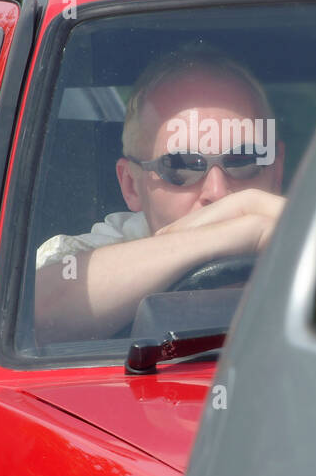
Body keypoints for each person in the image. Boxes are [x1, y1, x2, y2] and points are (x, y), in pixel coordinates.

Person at [34, 49, 285, 342]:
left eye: (243, 161)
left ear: (277, 171)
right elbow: (35, 313)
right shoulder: (114, 245)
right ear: (131, 185)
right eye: (180, 166)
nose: (218, 192)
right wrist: (249, 229)